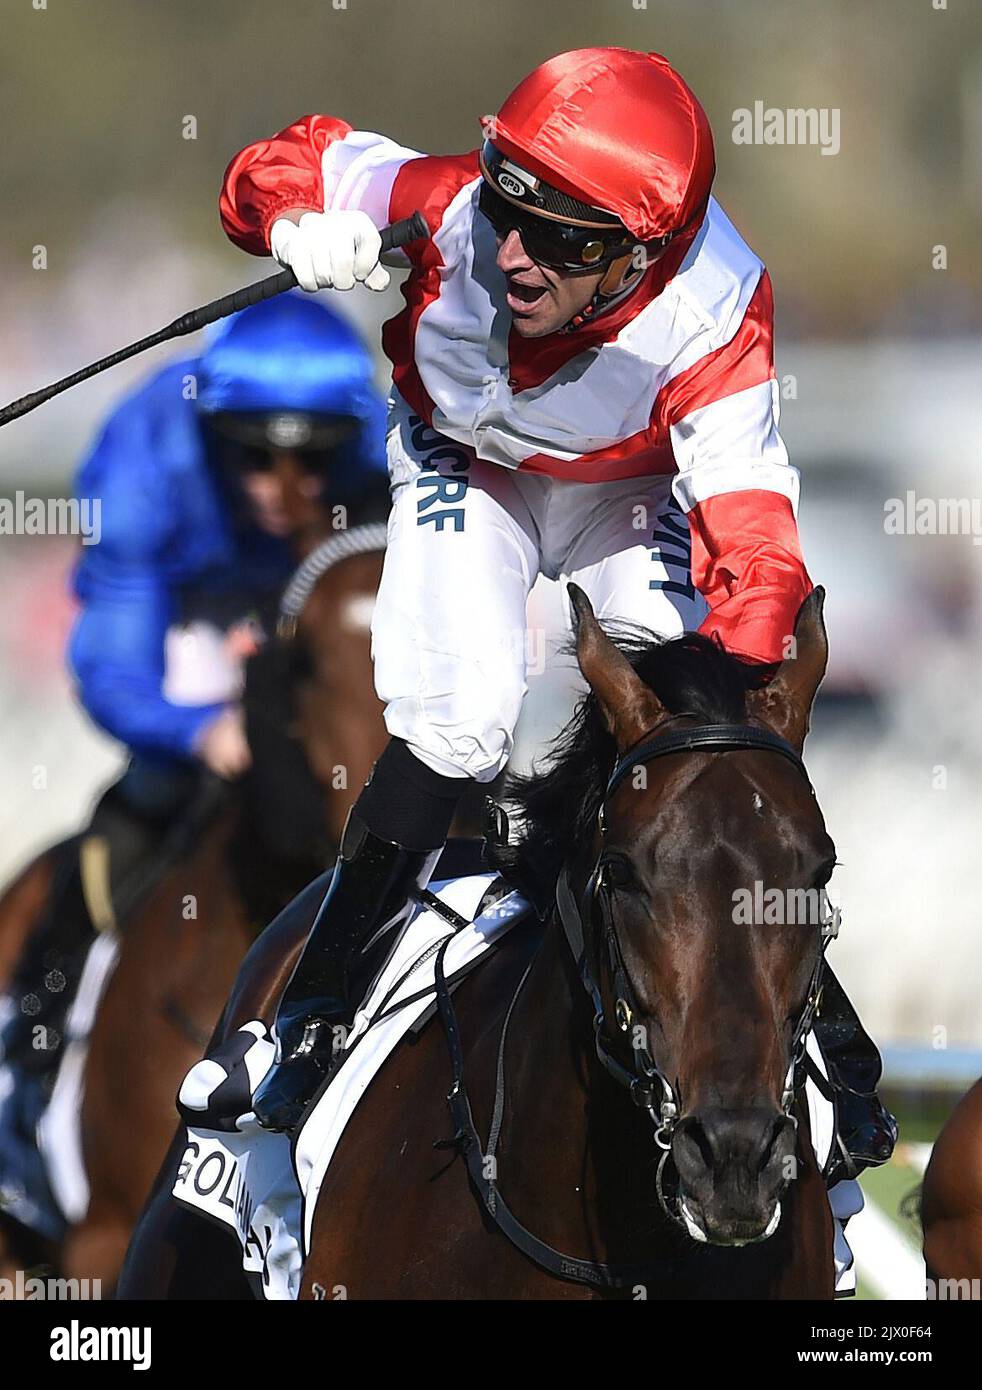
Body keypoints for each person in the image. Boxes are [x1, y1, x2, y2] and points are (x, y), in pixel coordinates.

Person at [219, 46, 896, 1175]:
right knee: (457, 719)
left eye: (565, 243)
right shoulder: (445, 206)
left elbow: (752, 539)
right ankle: (308, 1017)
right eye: (509, 206)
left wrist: (734, 699)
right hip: (464, 466)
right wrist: (289, 219)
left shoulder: (717, 307)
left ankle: (817, 1029)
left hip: (624, 494)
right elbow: (274, 167)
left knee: (693, 742)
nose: (515, 253)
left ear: (644, 253)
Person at [4, 293, 388, 1075]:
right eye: (253, 455)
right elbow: (112, 667)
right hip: (192, 619)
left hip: (312, 612)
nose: (283, 487)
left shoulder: (384, 452)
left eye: (314, 458)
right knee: (153, 798)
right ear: (210, 429)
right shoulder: (144, 451)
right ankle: (39, 1020)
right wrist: (199, 731)